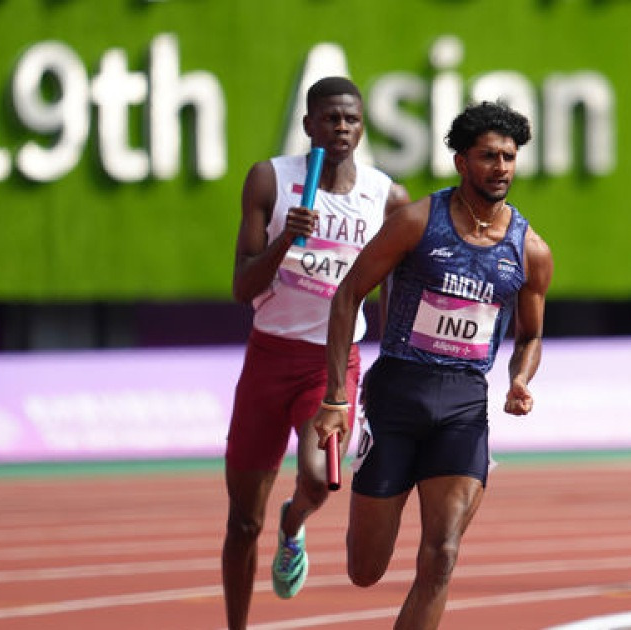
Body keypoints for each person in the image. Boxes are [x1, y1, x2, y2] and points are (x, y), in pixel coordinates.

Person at [305, 100, 552, 630]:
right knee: (364, 569)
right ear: (462, 161)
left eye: (509, 157)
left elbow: (530, 336)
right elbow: (347, 295)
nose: (501, 167)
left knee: (441, 555)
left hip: (463, 407)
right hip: (396, 397)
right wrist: (335, 396)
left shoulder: (529, 250)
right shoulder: (417, 222)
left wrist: (520, 379)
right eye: (489, 156)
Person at [222, 76, 410, 630]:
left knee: (317, 478)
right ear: (309, 125)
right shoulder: (270, 180)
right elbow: (240, 287)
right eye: (330, 118)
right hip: (268, 358)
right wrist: (286, 240)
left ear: (362, 126)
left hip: (331, 365)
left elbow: (396, 296)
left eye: (351, 119)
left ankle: (294, 524)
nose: (342, 128)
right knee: (241, 524)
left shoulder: (385, 197)